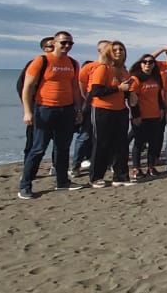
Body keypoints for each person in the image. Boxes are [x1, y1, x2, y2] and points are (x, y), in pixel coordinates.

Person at [17, 32, 85, 199]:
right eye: (63, 43)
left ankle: (62, 182)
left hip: (66, 110)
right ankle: (25, 185)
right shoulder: (41, 61)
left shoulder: (73, 63)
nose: (67, 46)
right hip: (44, 109)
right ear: (54, 43)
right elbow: (27, 87)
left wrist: (78, 110)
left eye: (70, 43)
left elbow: (75, 88)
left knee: (62, 148)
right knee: (38, 148)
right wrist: (27, 111)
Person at [87, 40, 136, 187]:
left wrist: (131, 95)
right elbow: (96, 92)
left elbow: (127, 90)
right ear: (109, 52)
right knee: (102, 143)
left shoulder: (124, 71)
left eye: (121, 49)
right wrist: (119, 89)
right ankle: (96, 177)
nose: (119, 52)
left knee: (121, 144)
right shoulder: (103, 69)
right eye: (115, 50)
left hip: (120, 110)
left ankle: (120, 176)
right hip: (102, 109)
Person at [70, 40, 111, 177]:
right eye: (106, 48)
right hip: (92, 104)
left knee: (104, 137)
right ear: (99, 50)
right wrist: (85, 101)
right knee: (85, 136)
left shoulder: (114, 67)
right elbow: (80, 85)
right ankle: (75, 165)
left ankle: (104, 163)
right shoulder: (90, 67)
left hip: (109, 107)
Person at [128, 54, 167, 180]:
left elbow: (158, 96)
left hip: (155, 115)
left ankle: (151, 167)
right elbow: (132, 99)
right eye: (145, 62)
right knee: (139, 143)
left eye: (150, 62)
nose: (147, 64)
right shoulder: (136, 78)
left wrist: (161, 109)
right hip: (141, 116)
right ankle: (136, 168)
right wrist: (136, 115)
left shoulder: (156, 78)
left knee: (154, 142)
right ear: (140, 64)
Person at [20, 36, 54, 160]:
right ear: (44, 48)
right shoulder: (38, 62)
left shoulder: (67, 63)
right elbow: (23, 87)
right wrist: (28, 110)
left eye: (55, 45)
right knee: (34, 141)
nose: (53, 48)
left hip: (59, 109)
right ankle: (27, 169)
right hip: (39, 108)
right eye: (50, 46)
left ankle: (55, 166)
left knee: (59, 142)